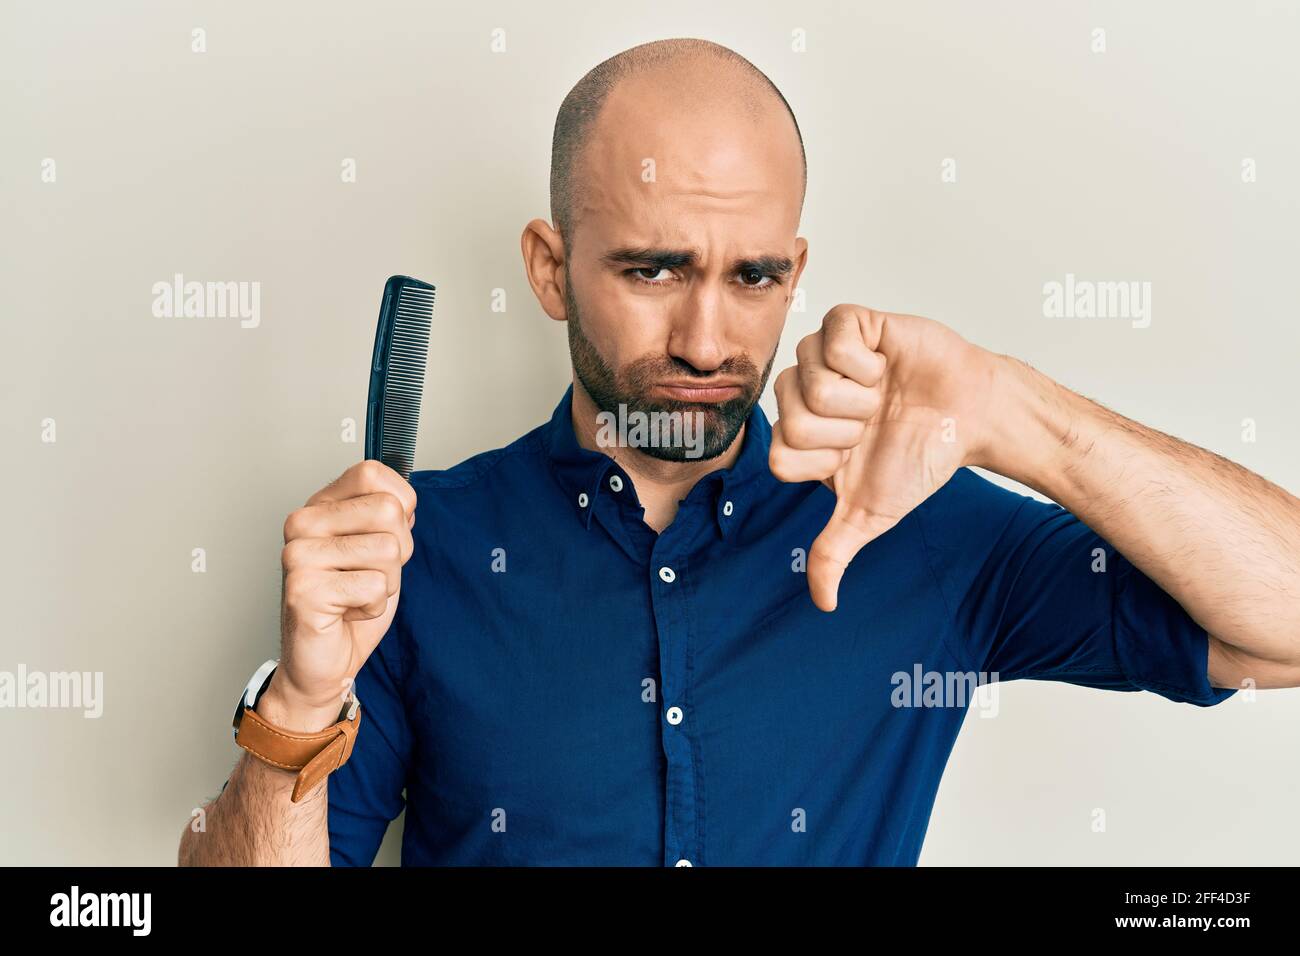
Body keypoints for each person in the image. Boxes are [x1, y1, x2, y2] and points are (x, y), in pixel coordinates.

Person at [179, 38, 1300, 867]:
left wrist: (1009, 409)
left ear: (795, 269)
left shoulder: (920, 529)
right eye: (652, 270)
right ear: (550, 267)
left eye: (753, 277)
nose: (708, 340)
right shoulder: (410, 555)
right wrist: (300, 705)